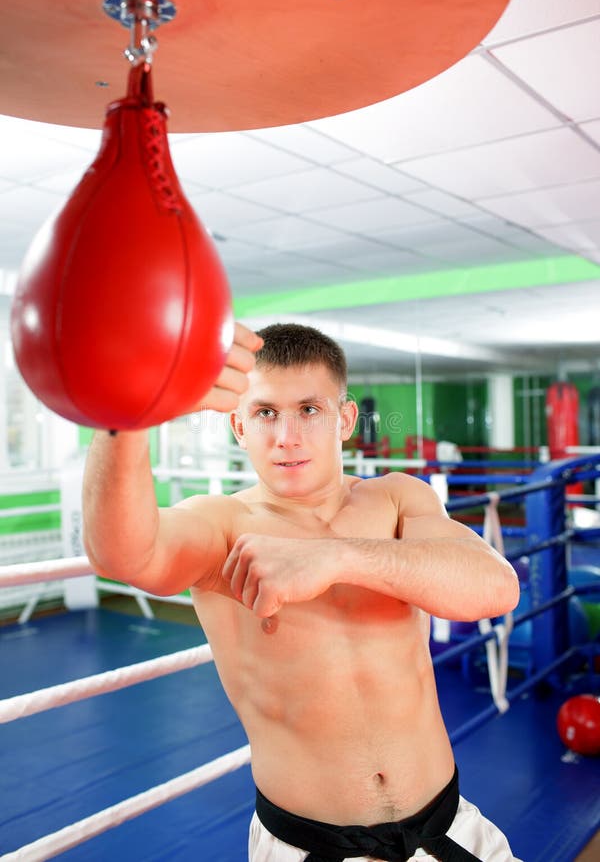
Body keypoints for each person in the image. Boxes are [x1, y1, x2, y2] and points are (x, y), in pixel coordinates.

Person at [83, 321, 521, 861]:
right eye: (265, 412)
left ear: (344, 419)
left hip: (449, 830)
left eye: (309, 410)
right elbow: (122, 554)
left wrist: (334, 557)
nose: (286, 436)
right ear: (238, 426)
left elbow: (495, 588)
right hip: (310, 847)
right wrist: (129, 415)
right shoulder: (223, 525)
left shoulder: (398, 500)